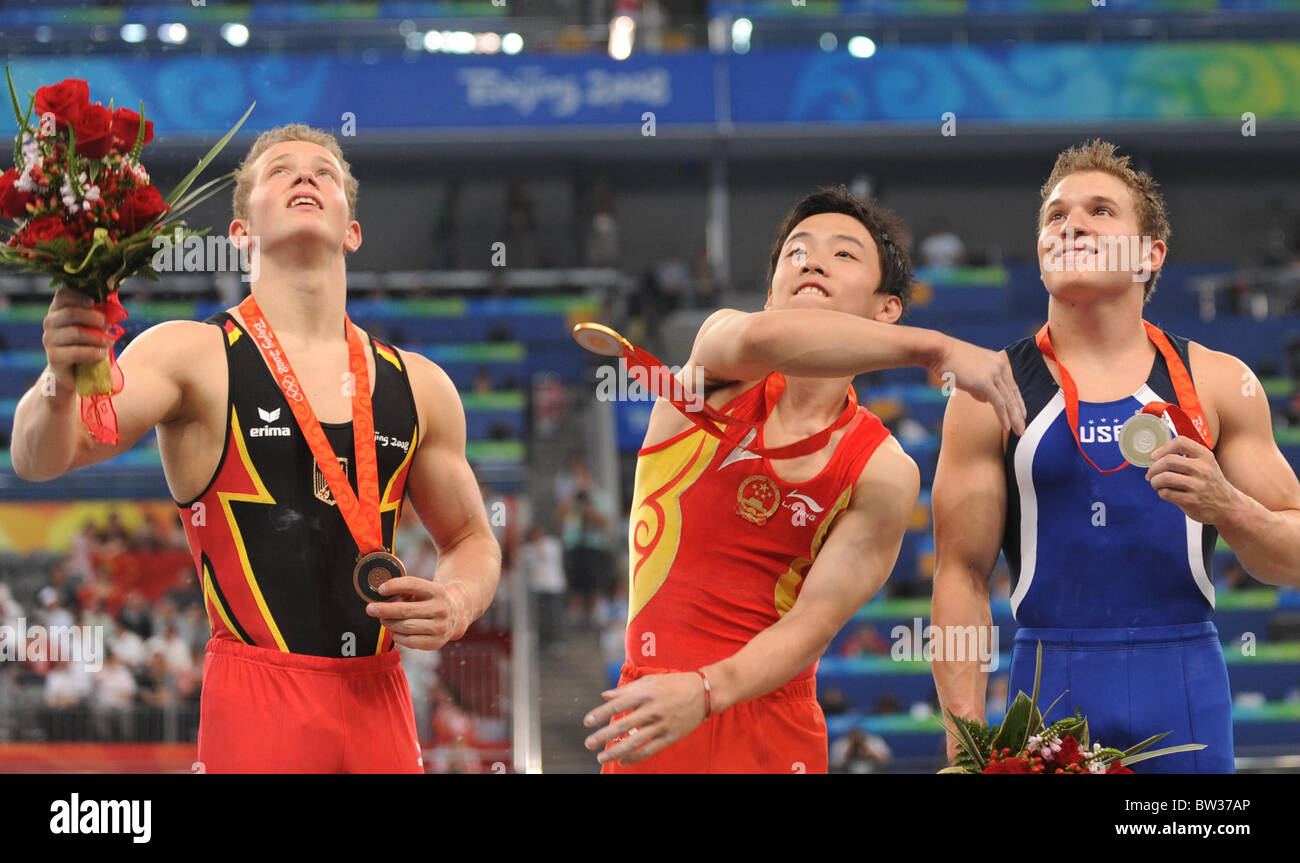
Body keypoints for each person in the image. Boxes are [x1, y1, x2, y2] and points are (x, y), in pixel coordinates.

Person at [10, 124, 502, 773]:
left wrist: (458, 601)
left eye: (323, 171)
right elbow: (40, 455)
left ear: (352, 230)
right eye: (281, 171)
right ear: (241, 235)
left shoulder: (421, 386)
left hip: (382, 693)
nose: (305, 177)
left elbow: (471, 536)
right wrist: (58, 377)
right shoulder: (193, 356)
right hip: (257, 696)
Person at [582, 186, 1026, 772]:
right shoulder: (711, 372)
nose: (812, 261)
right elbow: (761, 341)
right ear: (769, 295)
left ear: (886, 309)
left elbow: (812, 625)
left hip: (772, 722)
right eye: (796, 252)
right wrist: (935, 348)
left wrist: (709, 690)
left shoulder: (882, 469)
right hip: (656, 708)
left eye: (843, 255)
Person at [931, 140, 1300, 773]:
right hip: (1047, 683)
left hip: (1183, 684)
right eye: (1055, 215)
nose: (1071, 223)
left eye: (1100, 211)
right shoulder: (988, 392)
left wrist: (1230, 508)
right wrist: (963, 746)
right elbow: (960, 576)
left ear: (1151, 255)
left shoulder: (1218, 383)